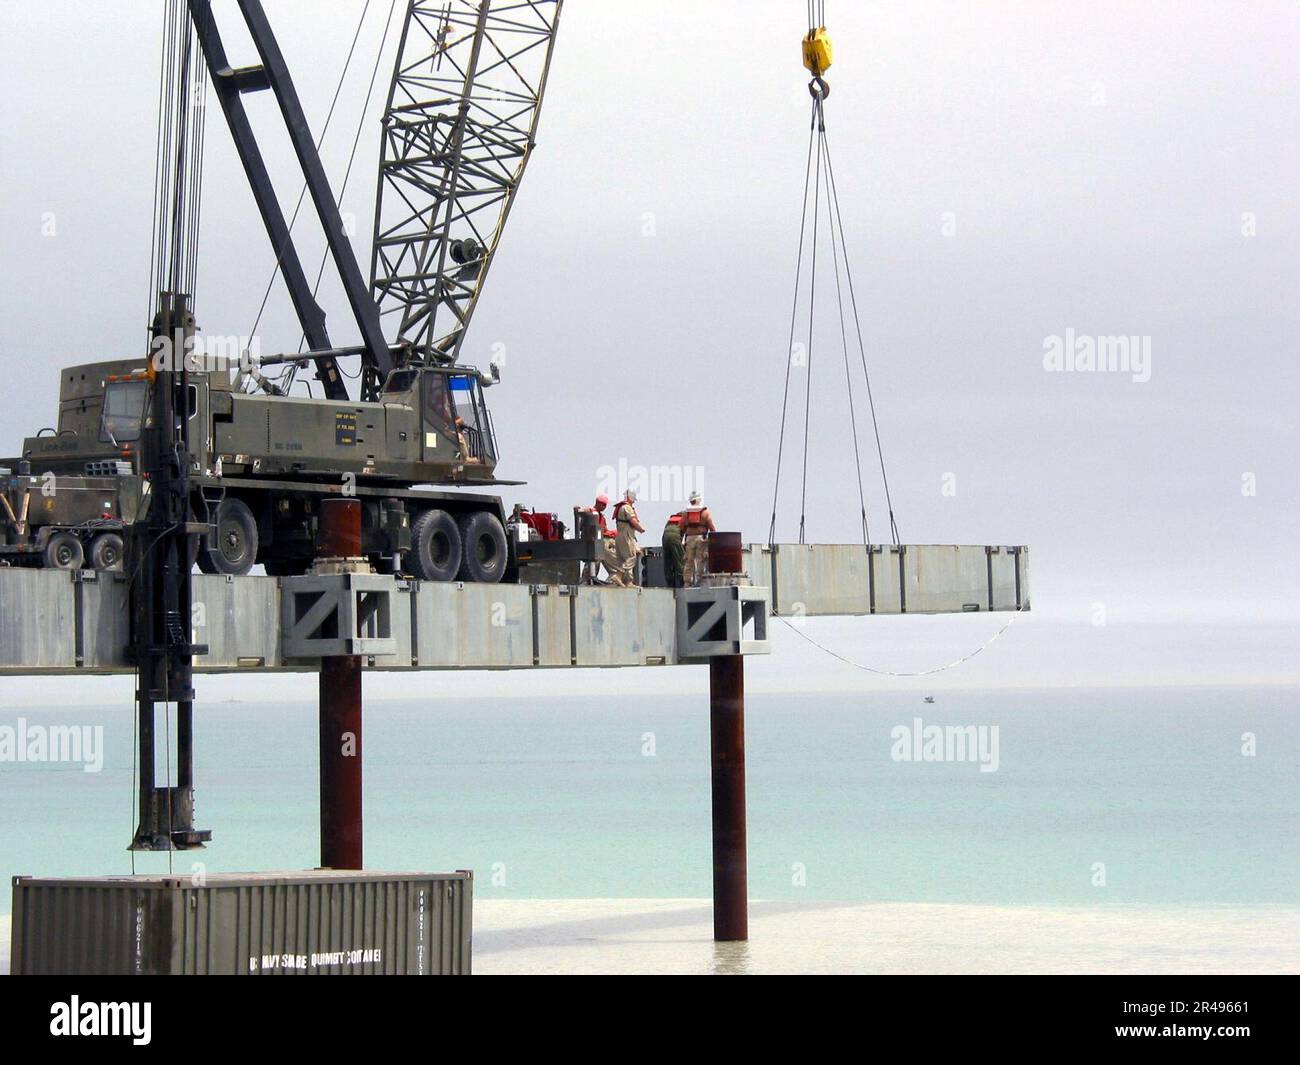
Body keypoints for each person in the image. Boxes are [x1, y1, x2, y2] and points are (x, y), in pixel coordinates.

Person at [610, 489, 644, 587]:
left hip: (619, 536)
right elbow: (633, 520)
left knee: (622, 559)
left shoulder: (621, 507)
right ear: (630, 497)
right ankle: (618, 575)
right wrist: (641, 529)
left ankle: (628, 581)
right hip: (626, 536)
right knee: (631, 557)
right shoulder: (627, 508)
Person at [681, 491, 716, 586]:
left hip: (689, 539)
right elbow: (711, 527)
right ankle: (700, 581)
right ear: (699, 500)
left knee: (689, 561)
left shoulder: (685, 513)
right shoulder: (705, 512)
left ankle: (687, 582)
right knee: (700, 560)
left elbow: (681, 526)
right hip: (701, 539)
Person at [661, 511, 685, 588]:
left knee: (667, 561)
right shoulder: (684, 519)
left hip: (665, 538)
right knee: (680, 560)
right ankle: (682, 582)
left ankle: (670, 583)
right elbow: (685, 533)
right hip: (675, 538)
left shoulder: (670, 520)